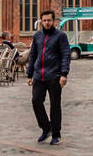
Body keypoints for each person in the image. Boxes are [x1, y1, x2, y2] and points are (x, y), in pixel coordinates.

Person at [26, 10, 70, 145]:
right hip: (39, 75)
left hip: (54, 75)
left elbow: (65, 54)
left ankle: (56, 134)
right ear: (41, 21)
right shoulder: (37, 36)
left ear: (53, 21)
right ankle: (46, 128)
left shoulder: (61, 36)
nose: (46, 23)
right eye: (44, 20)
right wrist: (29, 74)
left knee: (55, 105)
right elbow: (33, 55)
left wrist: (64, 74)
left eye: (49, 20)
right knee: (36, 101)